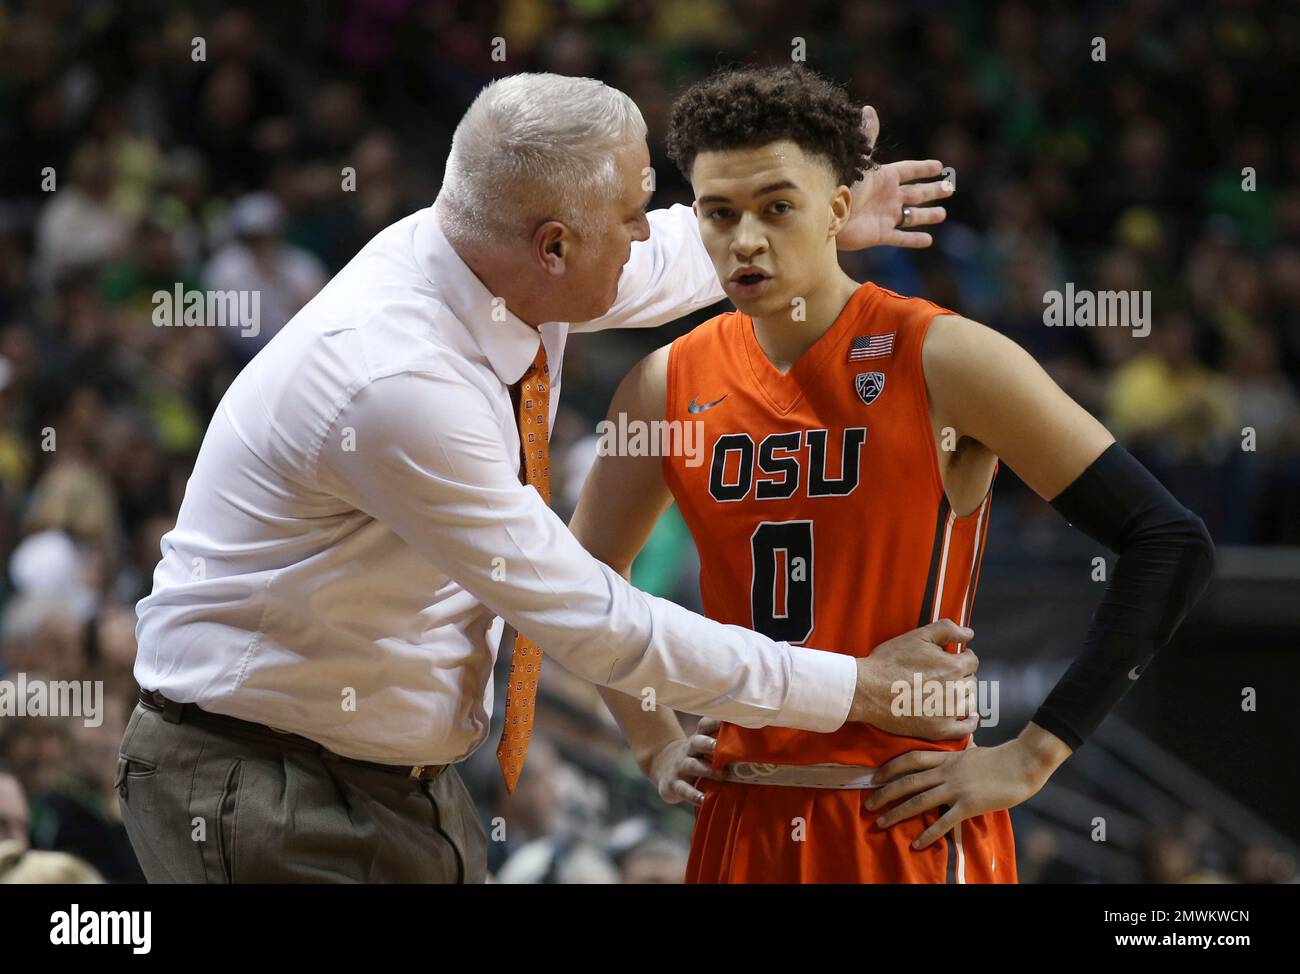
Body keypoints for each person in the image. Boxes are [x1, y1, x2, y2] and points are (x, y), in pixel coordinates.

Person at [119, 72, 963, 883]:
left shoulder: (489, 257)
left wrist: (804, 224)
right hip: (259, 779)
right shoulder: (396, 383)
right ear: (554, 245)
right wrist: (856, 687)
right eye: (633, 213)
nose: (648, 231)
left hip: (394, 776)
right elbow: (594, 619)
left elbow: (669, 253)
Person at [569, 65, 1215, 883]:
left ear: (840, 206)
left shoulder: (944, 355)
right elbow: (582, 581)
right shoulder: (663, 382)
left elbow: (1169, 542)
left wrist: (1030, 756)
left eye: (777, 207)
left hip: (900, 815)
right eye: (718, 213)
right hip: (741, 814)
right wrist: (655, 741)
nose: (746, 240)